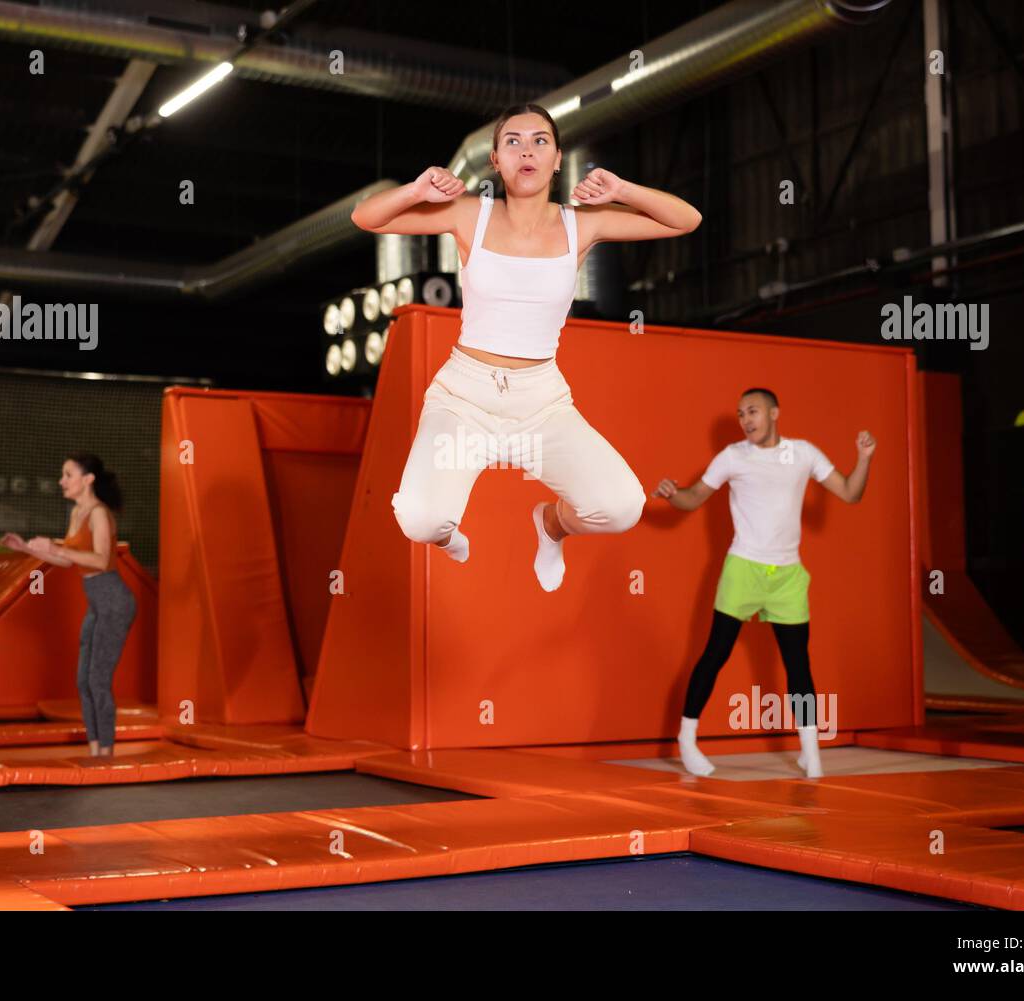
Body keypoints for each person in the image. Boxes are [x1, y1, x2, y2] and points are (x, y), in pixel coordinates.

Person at [352, 102, 701, 590]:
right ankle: (446, 533)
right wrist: (416, 190)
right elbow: (366, 218)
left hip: (540, 405)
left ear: (558, 158)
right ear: (495, 160)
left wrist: (621, 190)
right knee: (419, 521)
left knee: (621, 507)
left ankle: (551, 524)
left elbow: (685, 219)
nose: (526, 151)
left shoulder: (584, 223)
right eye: (512, 141)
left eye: (540, 141)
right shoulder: (469, 214)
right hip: (465, 401)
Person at [652, 388, 876, 778]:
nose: (746, 419)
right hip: (744, 569)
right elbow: (694, 498)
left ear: (774, 413)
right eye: (740, 414)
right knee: (715, 653)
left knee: (797, 664)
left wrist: (864, 459)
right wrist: (674, 495)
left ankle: (811, 752)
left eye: (752, 411)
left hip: (787, 575)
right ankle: (686, 740)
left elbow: (850, 494)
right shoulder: (732, 457)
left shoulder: (803, 453)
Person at [1, 452, 135, 758]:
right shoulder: (76, 513)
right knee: (83, 680)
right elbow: (64, 561)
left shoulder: (99, 513)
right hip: (97, 602)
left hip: (114, 600)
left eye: (68, 475)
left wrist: (56, 546)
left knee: (98, 680)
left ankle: (107, 754)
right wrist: (27, 548)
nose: (62, 481)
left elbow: (101, 560)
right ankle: (94, 751)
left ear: (88, 480)